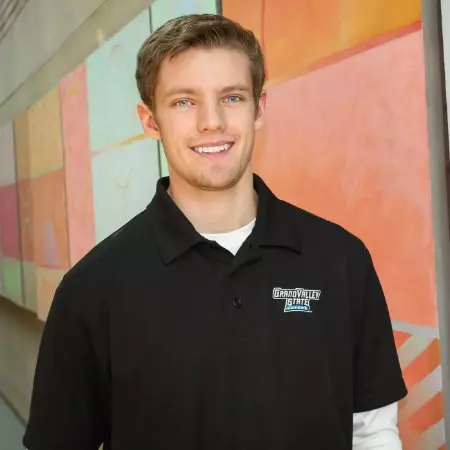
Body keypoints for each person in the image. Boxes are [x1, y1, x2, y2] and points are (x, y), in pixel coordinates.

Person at [23, 13, 407, 450]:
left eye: (232, 97)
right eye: (184, 102)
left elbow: (372, 431)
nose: (212, 122)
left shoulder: (341, 259)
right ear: (150, 121)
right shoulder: (92, 290)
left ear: (259, 108)